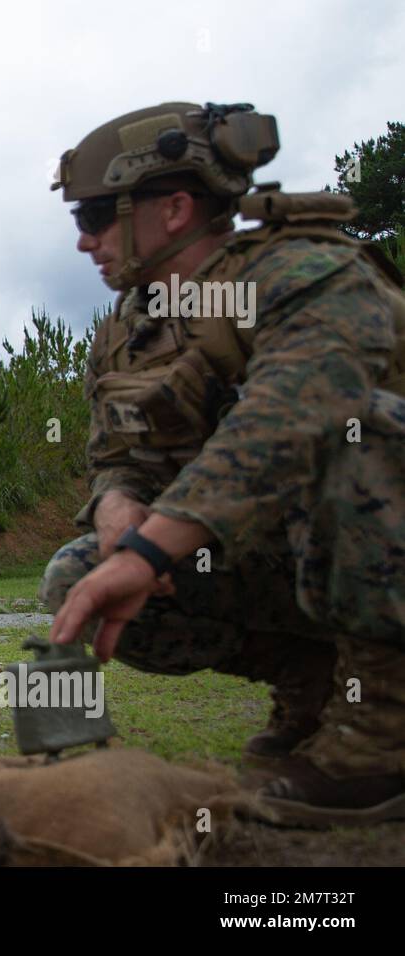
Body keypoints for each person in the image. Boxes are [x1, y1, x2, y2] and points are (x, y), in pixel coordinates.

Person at [40, 102, 405, 826]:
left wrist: (155, 546)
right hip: (295, 556)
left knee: (358, 430)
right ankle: (318, 688)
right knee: (78, 574)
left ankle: (388, 731)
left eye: (93, 217)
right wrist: (120, 515)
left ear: (174, 208)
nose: (84, 243)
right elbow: (116, 456)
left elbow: (291, 416)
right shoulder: (126, 331)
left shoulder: (306, 270)